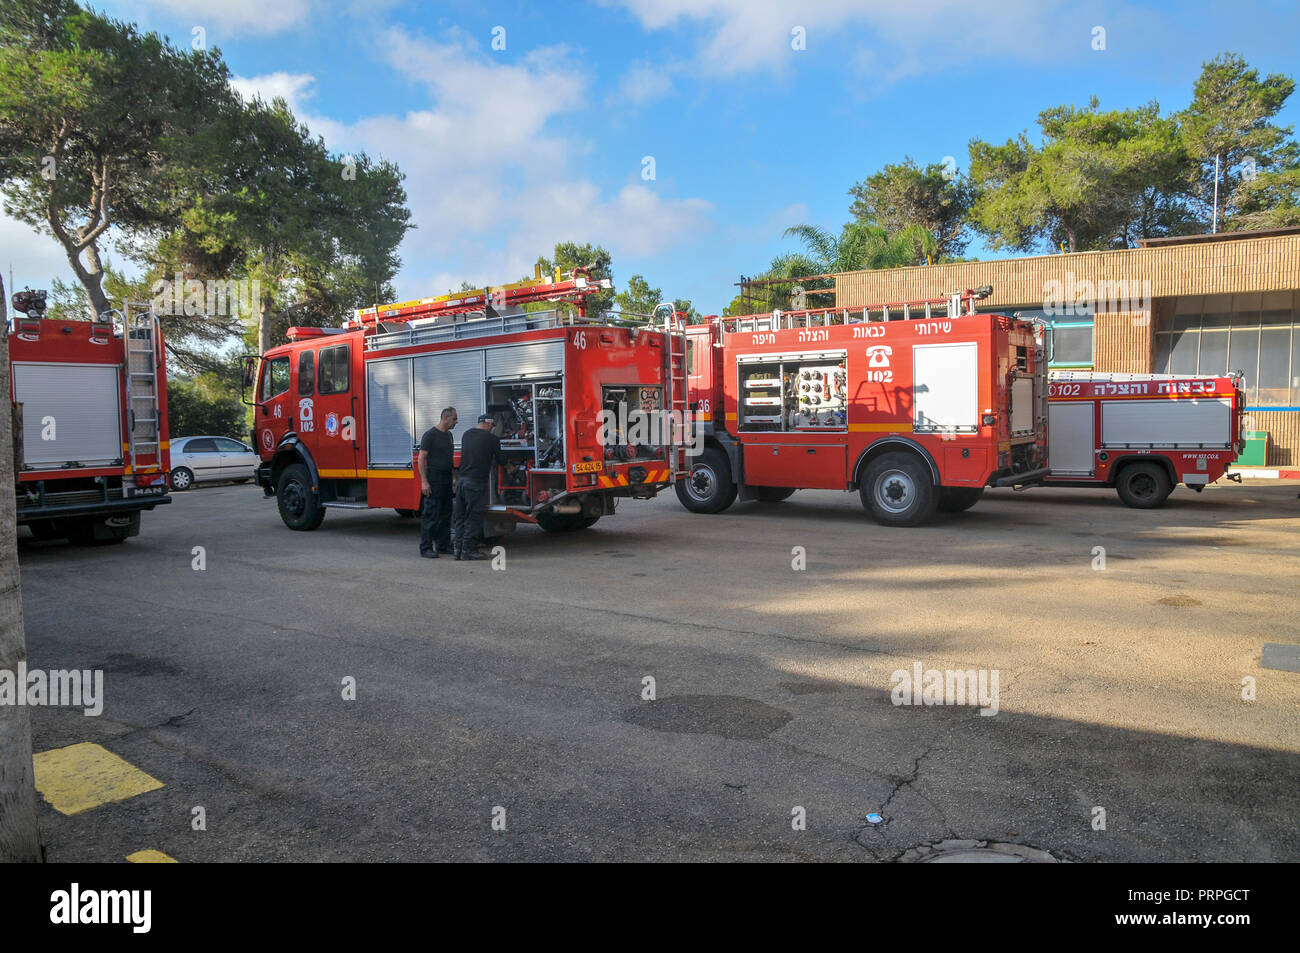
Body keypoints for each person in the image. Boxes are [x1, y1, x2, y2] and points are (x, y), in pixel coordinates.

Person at [452, 413, 504, 560]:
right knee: (473, 517)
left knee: (460, 517)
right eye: (492, 426)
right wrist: (510, 467)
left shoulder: (466, 435)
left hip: (462, 481)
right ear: (488, 424)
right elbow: (499, 459)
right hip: (475, 483)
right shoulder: (492, 439)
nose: (492, 429)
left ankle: (458, 550)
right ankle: (468, 551)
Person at [417, 407, 457, 558]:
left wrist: (453, 477)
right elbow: (421, 458)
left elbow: (449, 459)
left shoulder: (449, 436)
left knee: (446, 514)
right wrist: (424, 482)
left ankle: (443, 545)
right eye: (454, 418)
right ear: (445, 418)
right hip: (434, 479)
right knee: (431, 515)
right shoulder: (430, 435)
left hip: (447, 478)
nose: (456, 422)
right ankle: (426, 547)